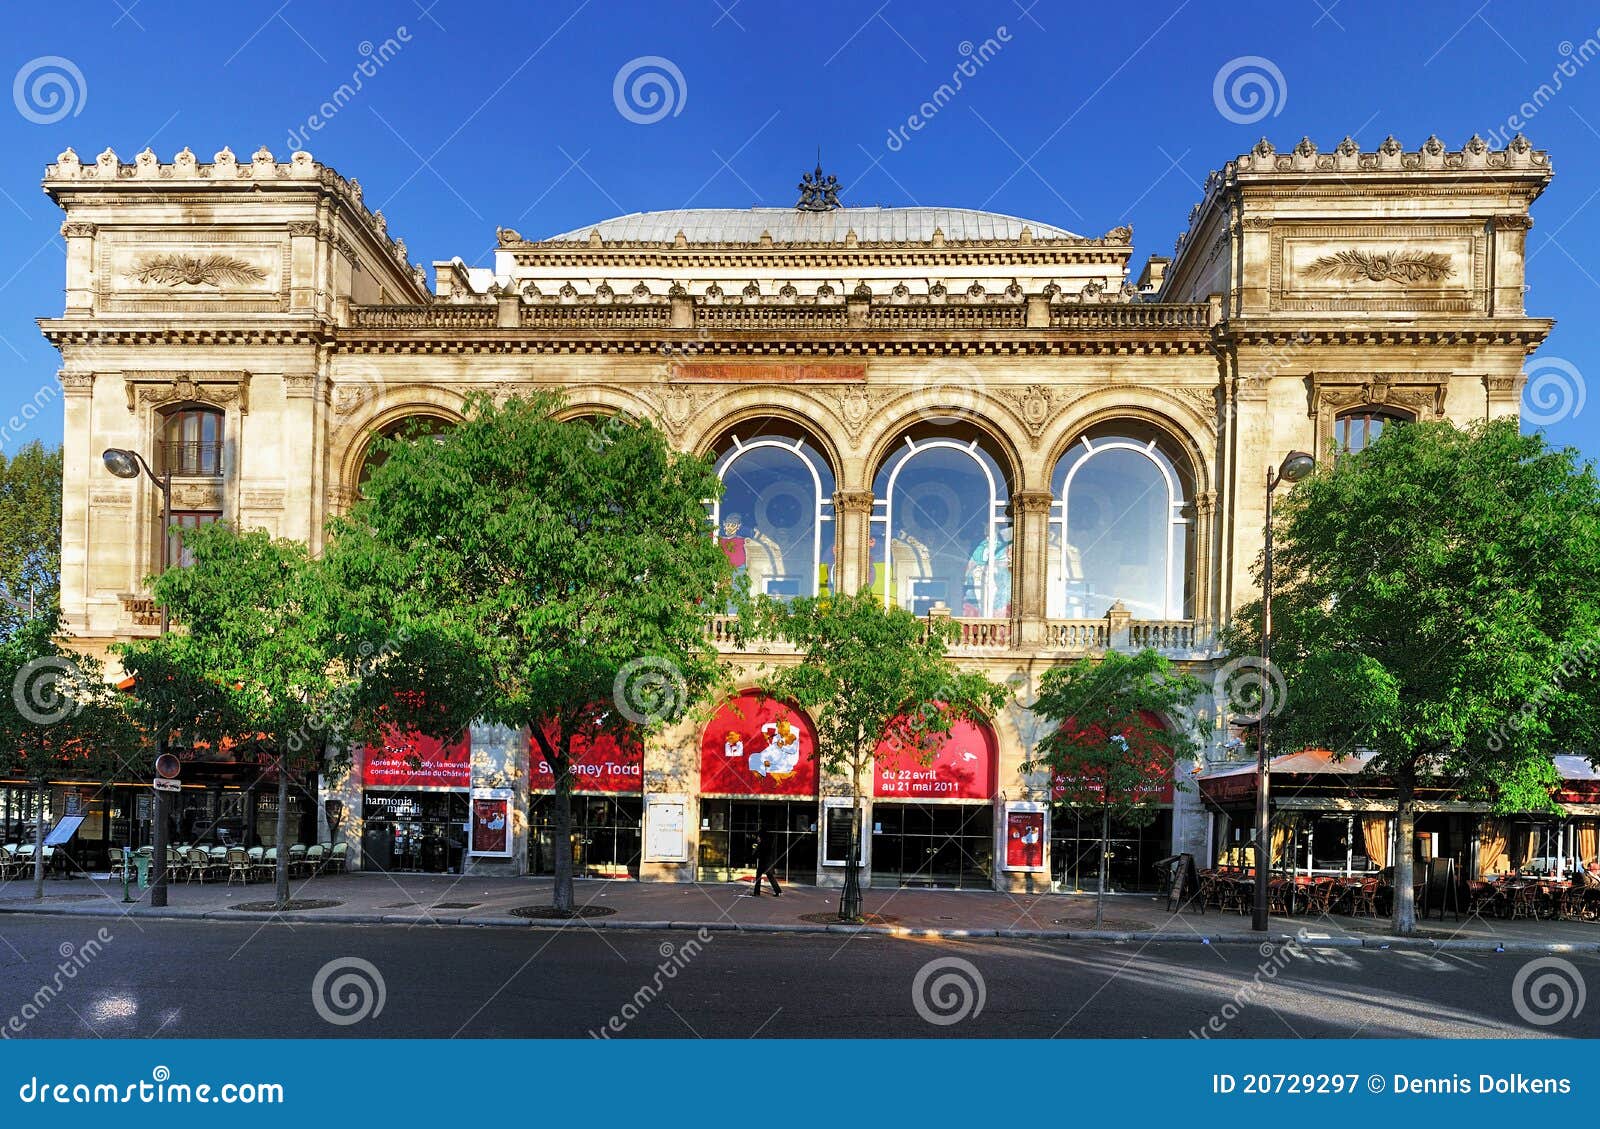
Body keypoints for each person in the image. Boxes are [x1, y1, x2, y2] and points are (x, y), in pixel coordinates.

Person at [747, 824, 781, 897]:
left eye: (759, 836)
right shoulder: (768, 842)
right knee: (770, 876)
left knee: (759, 875)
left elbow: (758, 851)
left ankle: (757, 892)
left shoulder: (762, 843)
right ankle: (777, 890)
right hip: (768, 861)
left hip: (764, 861)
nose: (758, 837)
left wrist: (756, 848)